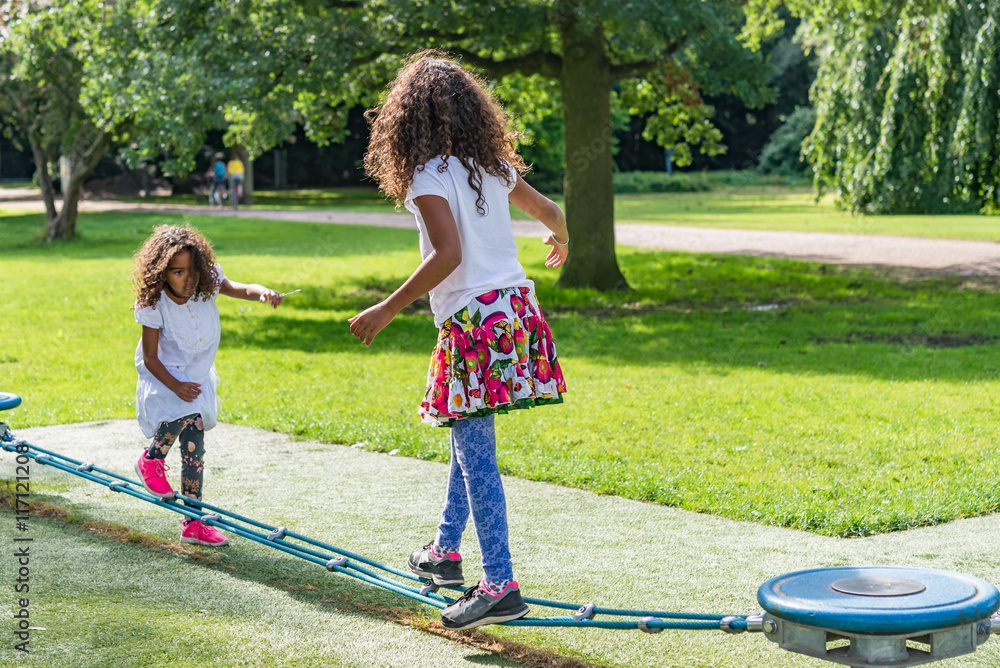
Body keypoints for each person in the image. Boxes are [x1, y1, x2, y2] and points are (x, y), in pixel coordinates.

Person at [349, 51, 569, 631]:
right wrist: (561, 240)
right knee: (466, 437)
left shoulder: (425, 176)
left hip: (474, 321)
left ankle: (500, 584)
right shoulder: (492, 165)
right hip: (517, 311)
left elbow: (449, 255)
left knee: (479, 457)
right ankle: (446, 553)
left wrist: (387, 308)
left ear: (406, 120)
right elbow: (551, 211)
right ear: (474, 111)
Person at [131, 224, 284, 546]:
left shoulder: (207, 282)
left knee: (193, 453)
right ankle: (152, 459)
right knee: (185, 414)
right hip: (165, 374)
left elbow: (240, 289)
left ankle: (193, 522)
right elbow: (150, 358)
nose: (186, 279)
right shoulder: (153, 302)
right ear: (161, 273)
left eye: (192, 271)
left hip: (197, 375)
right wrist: (175, 386)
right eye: (177, 272)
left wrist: (262, 292)